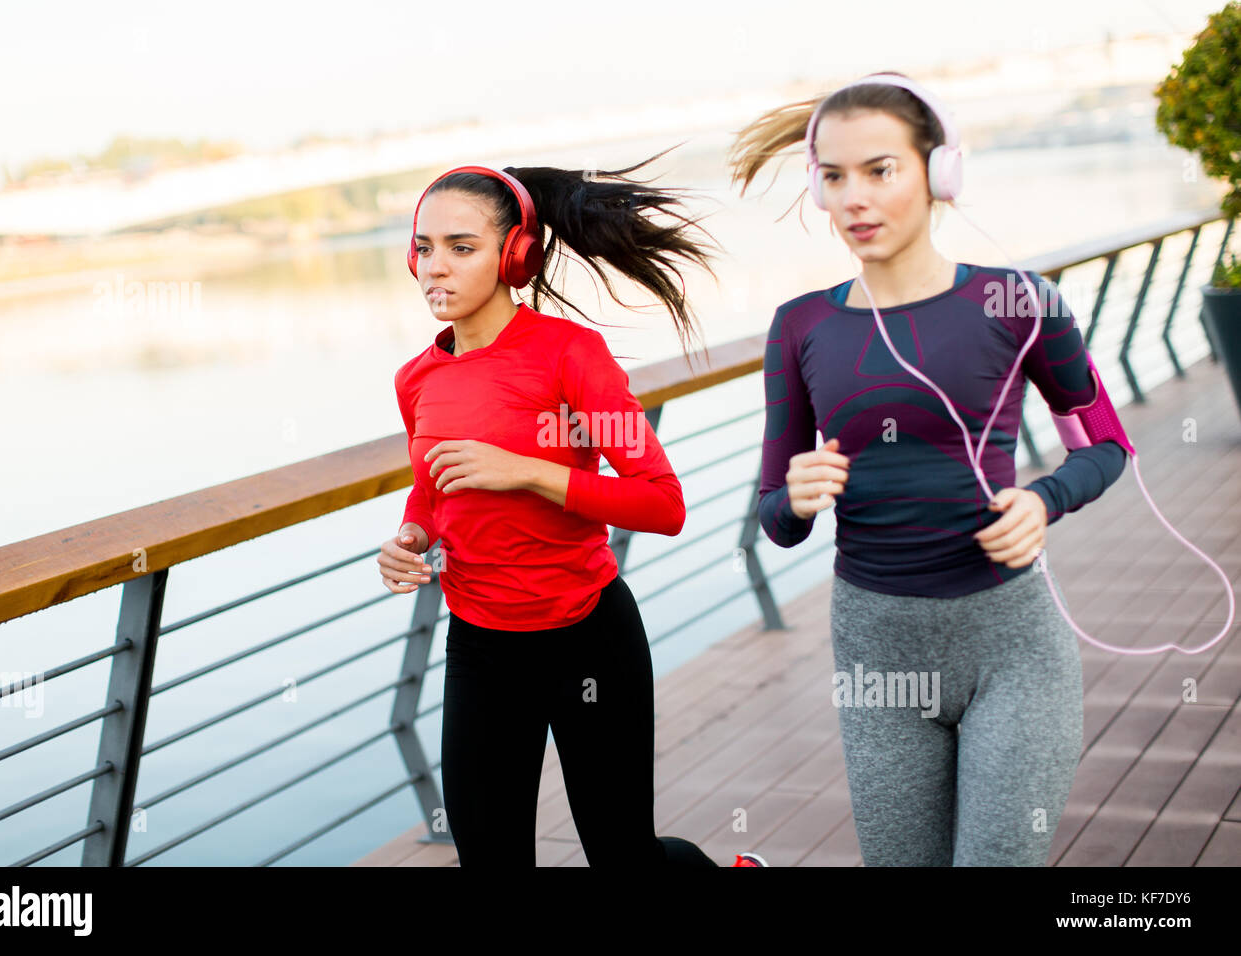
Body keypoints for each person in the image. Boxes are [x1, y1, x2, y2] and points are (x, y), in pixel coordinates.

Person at [727, 72, 1129, 866]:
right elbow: (774, 515)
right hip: (875, 656)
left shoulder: (1020, 303)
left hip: (1012, 650)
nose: (854, 199)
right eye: (834, 177)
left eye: (881, 170)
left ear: (939, 174)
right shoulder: (800, 327)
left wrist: (1045, 499)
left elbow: (1108, 445)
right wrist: (797, 499)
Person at [378, 156, 766, 867]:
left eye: (461, 248)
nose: (435, 266)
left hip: (586, 637)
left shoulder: (571, 357)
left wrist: (528, 472)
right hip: (480, 646)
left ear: (515, 255)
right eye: (423, 247)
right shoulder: (417, 378)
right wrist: (410, 535)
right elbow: (433, 489)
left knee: (624, 856)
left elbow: (662, 502)